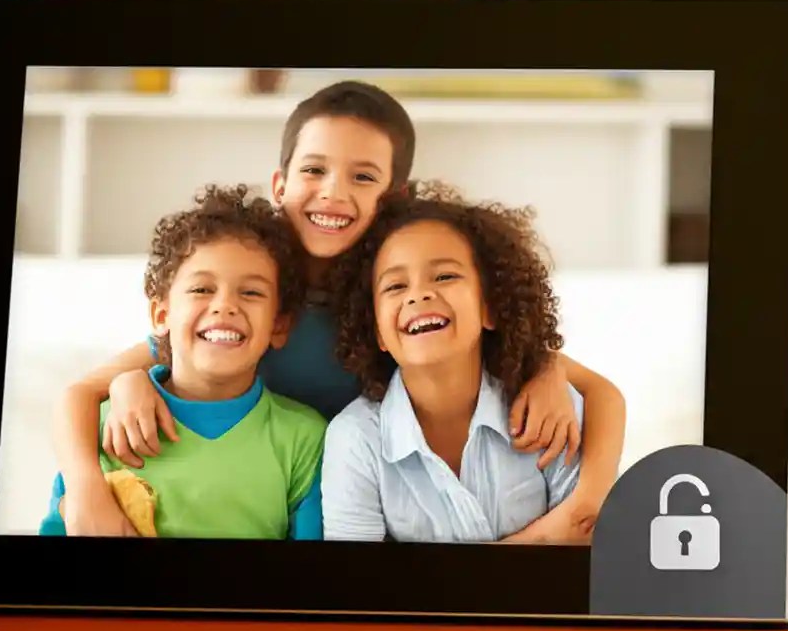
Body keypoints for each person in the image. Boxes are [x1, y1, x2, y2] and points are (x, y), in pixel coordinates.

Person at [55, 80, 625, 539]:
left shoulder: (401, 307)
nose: (332, 192)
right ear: (279, 184)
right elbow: (83, 392)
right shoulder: (245, 301)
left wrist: (548, 374)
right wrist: (118, 411)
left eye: (363, 176)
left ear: (394, 198)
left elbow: (601, 393)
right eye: (313, 170)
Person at [322, 183, 610, 543]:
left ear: (490, 307)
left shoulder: (553, 412)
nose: (419, 294)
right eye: (395, 286)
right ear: (377, 331)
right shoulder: (354, 439)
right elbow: (354, 588)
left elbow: (579, 546)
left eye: (445, 276)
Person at [39, 185, 325, 539]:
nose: (225, 306)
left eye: (251, 292)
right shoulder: (101, 425)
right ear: (161, 314)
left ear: (279, 325)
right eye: (202, 289)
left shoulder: (306, 439)